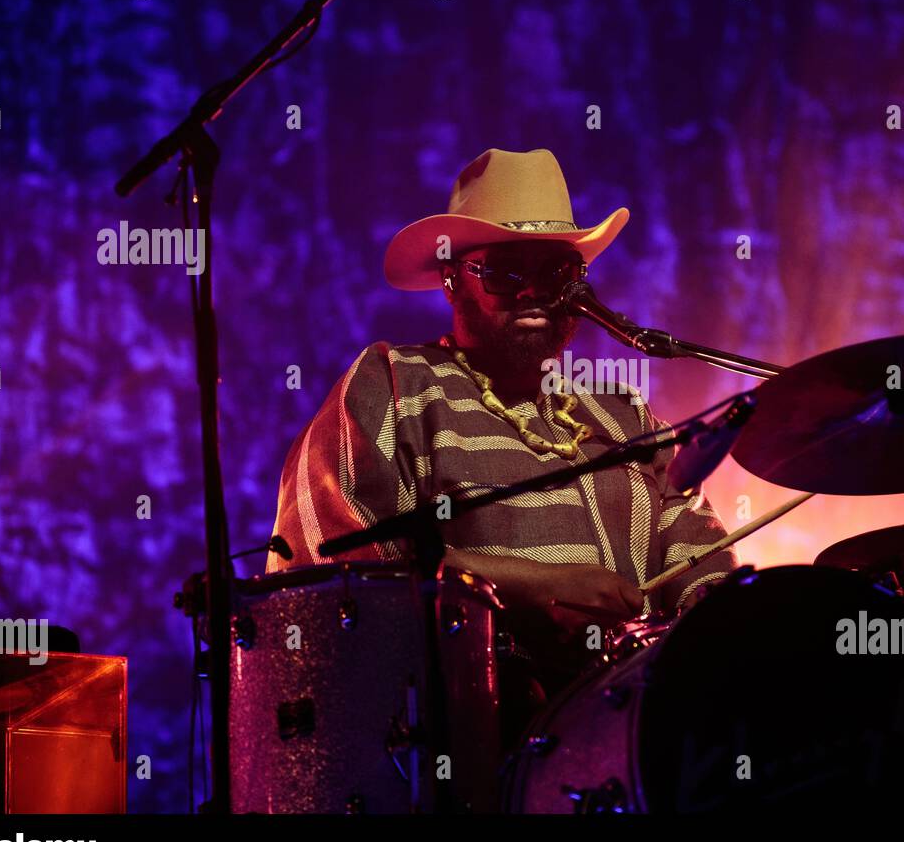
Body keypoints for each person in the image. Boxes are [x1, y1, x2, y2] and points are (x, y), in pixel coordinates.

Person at [267, 147, 736, 718]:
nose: (533, 289)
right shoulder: (393, 384)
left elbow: (703, 571)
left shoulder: (626, 420)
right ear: (451, 280)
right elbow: (331, 576)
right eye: (507, 270)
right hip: (456, 751)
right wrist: (525, 586)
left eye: (556, 272)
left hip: (626, 749)